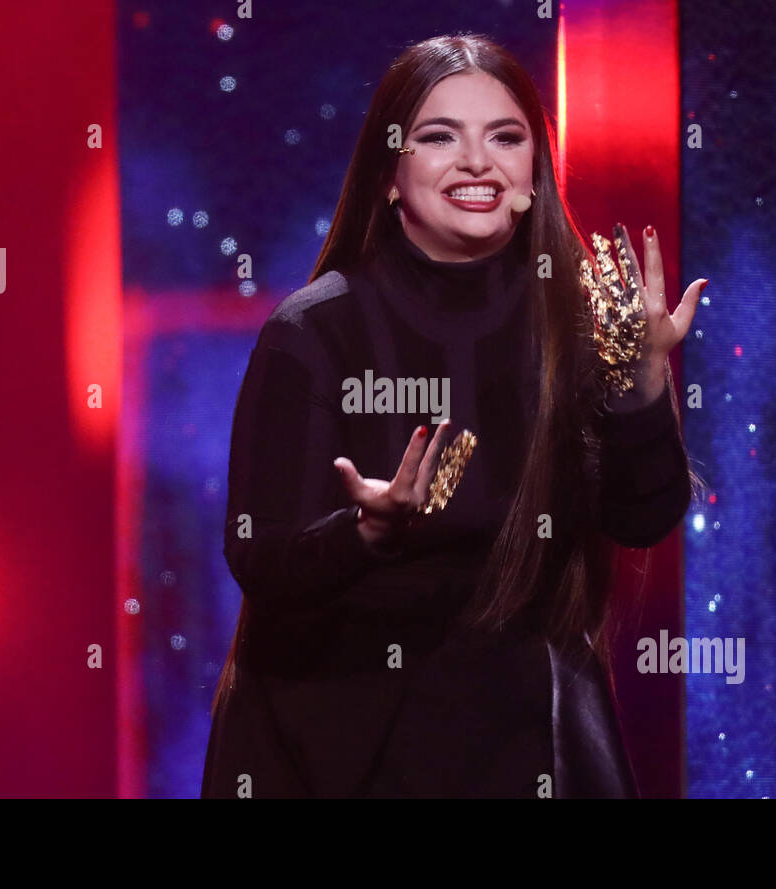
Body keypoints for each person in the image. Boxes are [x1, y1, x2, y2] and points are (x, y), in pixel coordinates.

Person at [201, 33, 706, 798]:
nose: (478, 162)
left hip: (528, 738)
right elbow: (258, 554)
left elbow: (642, 517)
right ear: (389, 176)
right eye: (440, 137)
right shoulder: (313, 331)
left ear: (533, 173)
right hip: (341, 742)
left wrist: (641, 382)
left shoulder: (576, 319)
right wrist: (367, 531)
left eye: (505, 137)